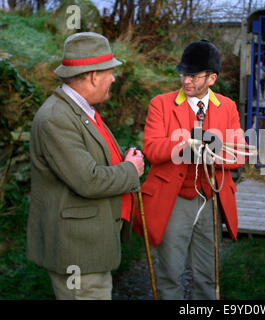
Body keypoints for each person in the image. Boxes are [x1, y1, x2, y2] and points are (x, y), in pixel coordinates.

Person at [27, 32, 145, 300]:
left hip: (87, 247)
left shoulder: (78, 110)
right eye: (110, 72)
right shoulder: (56, 118)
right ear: (93, 76)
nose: (113, 78)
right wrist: (131, 170)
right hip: (77, 253)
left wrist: (123, 160)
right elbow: (87, 180)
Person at [132, 39, 246, 300]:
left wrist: (211, 151)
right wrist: (186, 145)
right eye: (183, 73)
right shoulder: (160, 104)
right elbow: (152, 148)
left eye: (193, 75)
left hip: (209, 201)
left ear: (212, 78)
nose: (185, 80)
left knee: (207, 274)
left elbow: (239, 154)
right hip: (174, 200)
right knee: (170, 273)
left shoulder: (227, 107)